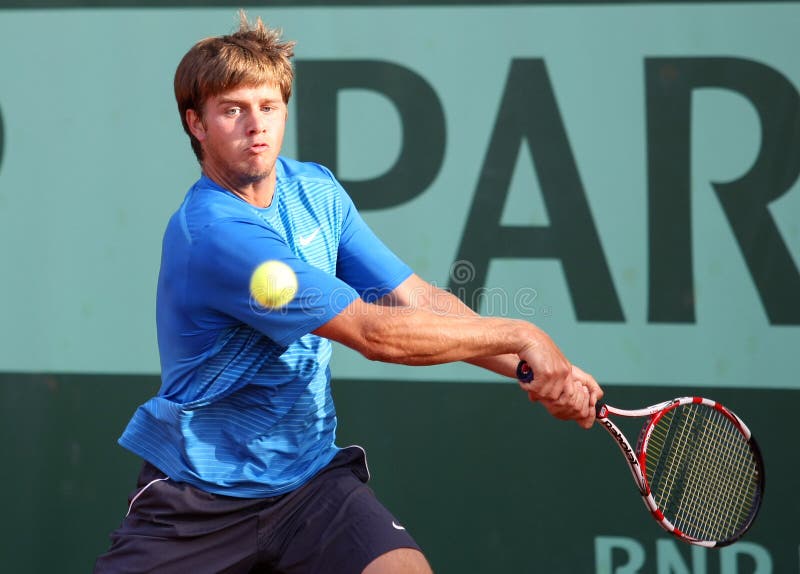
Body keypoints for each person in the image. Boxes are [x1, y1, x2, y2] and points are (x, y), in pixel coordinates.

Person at [95, 12, 602, 574]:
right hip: (198, 498)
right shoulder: (215, 234)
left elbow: (417, 300)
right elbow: (374, 332)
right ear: (197, 124)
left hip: (309, 485)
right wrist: (524, 333)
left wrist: (535, 370)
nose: (255, 125)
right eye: (232, 110)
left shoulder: (315, 190)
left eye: (268, 106)